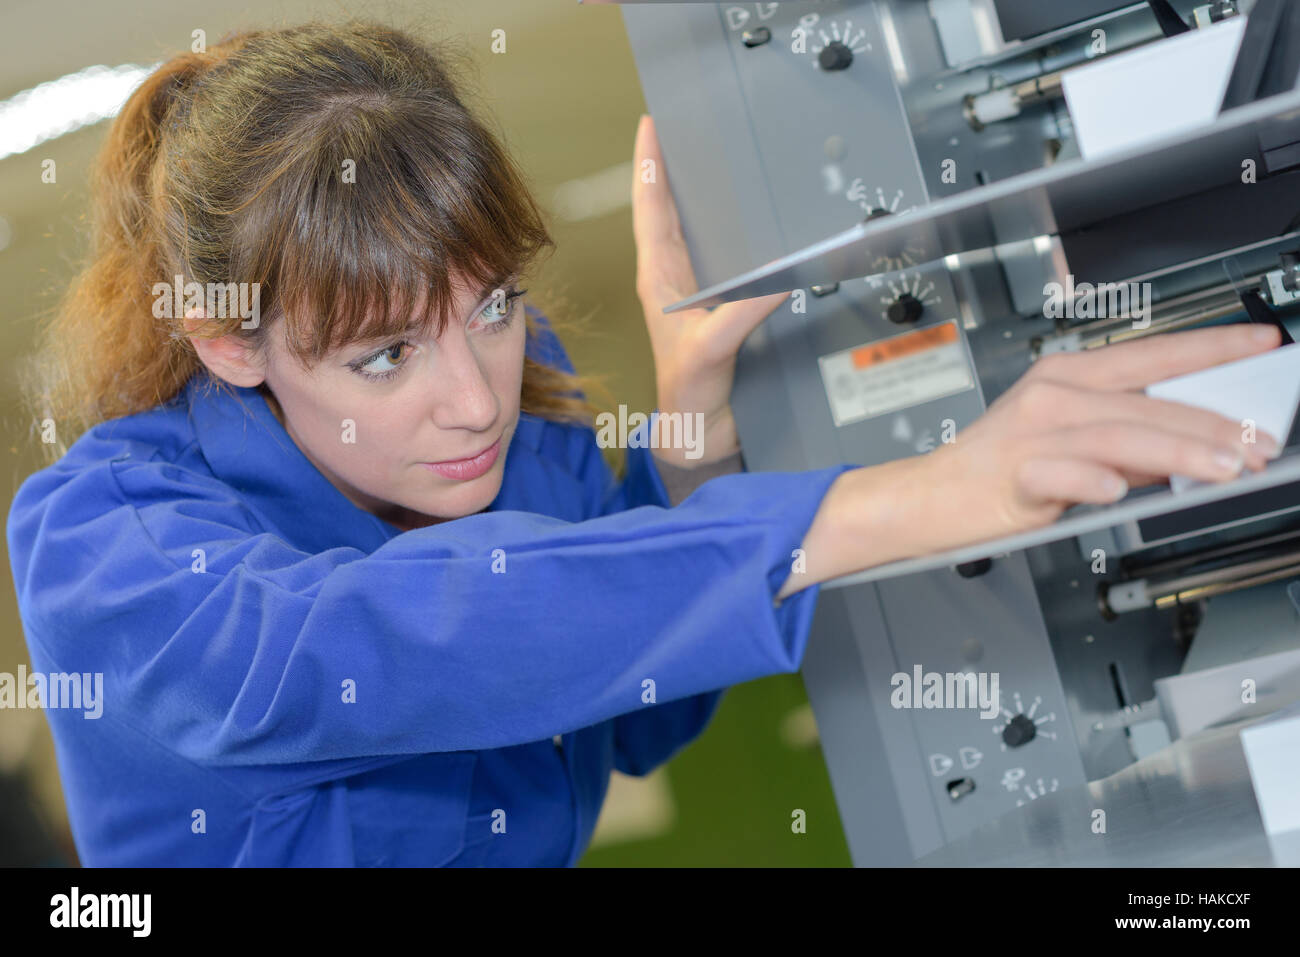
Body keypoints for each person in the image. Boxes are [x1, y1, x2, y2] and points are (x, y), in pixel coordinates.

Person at [5, 22, 1282, 867]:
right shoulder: (104, 540)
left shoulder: (523, 429)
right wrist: (897, 501)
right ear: (231, 346)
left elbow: (636, 721)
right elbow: (378, 645)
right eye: (384, 357)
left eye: (495, 305)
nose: (474, 401)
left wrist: (693, 422)